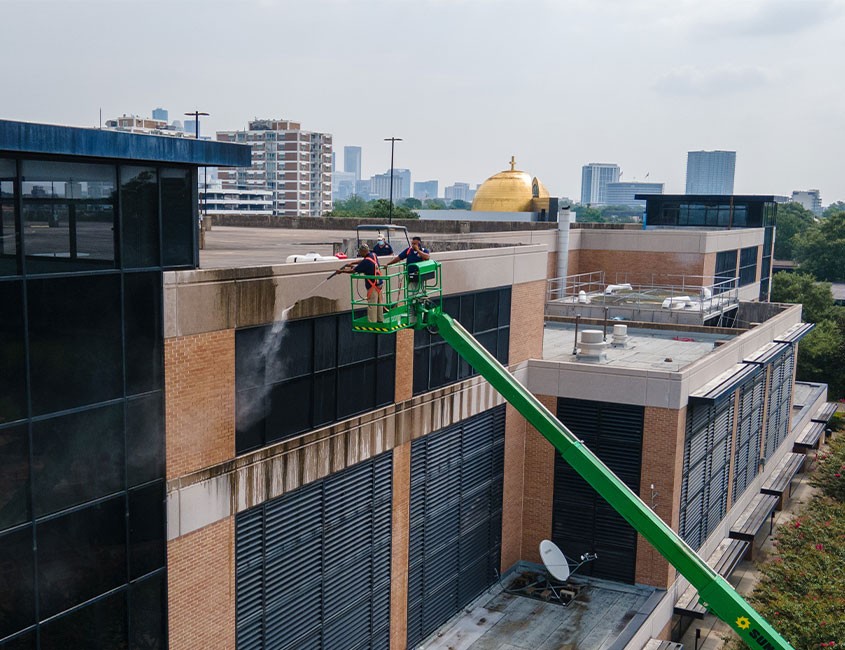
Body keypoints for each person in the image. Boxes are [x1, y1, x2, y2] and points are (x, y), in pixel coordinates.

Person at [339, 244, 383, 322]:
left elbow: (353, 271)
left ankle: (372, 322)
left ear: (364, 251)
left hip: (372, 286)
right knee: (379, 303)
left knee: (372, 304)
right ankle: (380, 319)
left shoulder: (366, 262)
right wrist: (352, 263)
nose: (360, 253)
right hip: (379, 283)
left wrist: (341, 271)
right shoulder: (373, 255)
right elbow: (363, 260)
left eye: (360, 252)